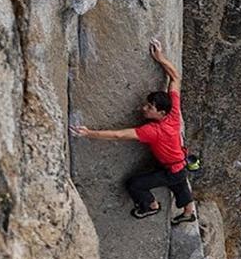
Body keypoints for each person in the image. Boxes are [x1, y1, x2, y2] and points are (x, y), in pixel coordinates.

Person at [70, 39, 197, 225]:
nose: (144, 108)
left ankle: (150, 206)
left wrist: (88, 133)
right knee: (178, 181)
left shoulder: (153, 131)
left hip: (172, 168)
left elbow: (118, 135)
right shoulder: (173, 112)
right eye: (147, 104)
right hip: (178, 164)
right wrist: (160, 58)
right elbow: (175, 77)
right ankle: (188, 211)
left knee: (135, 184)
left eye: (149, 107)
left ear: (161, 113)